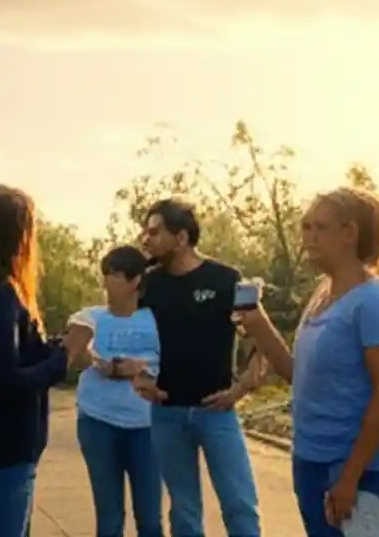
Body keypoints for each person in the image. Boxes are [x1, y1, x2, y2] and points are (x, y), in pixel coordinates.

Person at [239, 187, 379, 537]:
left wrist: (350, 475)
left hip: (356, 468)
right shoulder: (322, 296)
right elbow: (299, 376)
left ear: (350, 233)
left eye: (320, 227)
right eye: (306, 227)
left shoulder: (376, 301)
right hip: (311, 460)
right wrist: (259, 325)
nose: (308, 237)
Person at [0, 184, 90, 537]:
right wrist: (65, 355)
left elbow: (12, 357)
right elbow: (3, 382)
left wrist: (57, 346)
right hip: (0, 449)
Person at [133, 197, 263, 537]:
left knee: (239, 503)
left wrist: (242, 387)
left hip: (217, 411)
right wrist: (139, 377)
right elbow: (130, 335)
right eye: (145, 232)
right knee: (184, 511)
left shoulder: (226, 278)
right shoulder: (147, 284)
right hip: (167, 412)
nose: (146, 239)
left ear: (181, 238)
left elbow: (256, 336)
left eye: (155, 232)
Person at [69, 245, 164, 537]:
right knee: (109, 518)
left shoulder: (157, 320)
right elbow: (74, 352)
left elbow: (175, 364)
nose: (107, 281)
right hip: (98, 422)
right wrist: (102, 365)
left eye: (115, 274)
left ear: (135, 281)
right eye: (106, 273)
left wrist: (141, 368)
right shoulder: (92, 316)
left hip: (147, 426)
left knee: (150, 518)